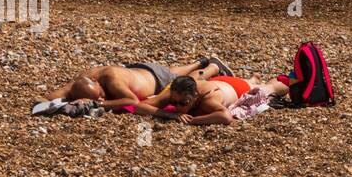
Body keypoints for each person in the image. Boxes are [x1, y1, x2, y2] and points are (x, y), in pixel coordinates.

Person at [99, 72, 292, 125]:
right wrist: (172, 115)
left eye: (183, 104)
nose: (177, 106)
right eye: (174, 102)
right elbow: (139, 107)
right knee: (252, 80)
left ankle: (292, 78)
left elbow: (225, 117)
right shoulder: (177, 93)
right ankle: (251, 77)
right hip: (219, 81)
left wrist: (194, 120)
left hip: (233, 88)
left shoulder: (207, 101)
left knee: (270, 87)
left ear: (194, 97)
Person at [40, 57, 230, 104]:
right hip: (139, 70)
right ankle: (201, 61)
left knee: (182, 81)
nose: (102, 96)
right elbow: (49, 98)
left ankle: (212, 67)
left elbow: (132, 102)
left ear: (97, 82)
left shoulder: (113, 83)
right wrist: (48, 100)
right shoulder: (83, 79)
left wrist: (103, 103)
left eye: (101, 93)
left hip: (154, 80)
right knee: (170, 71)